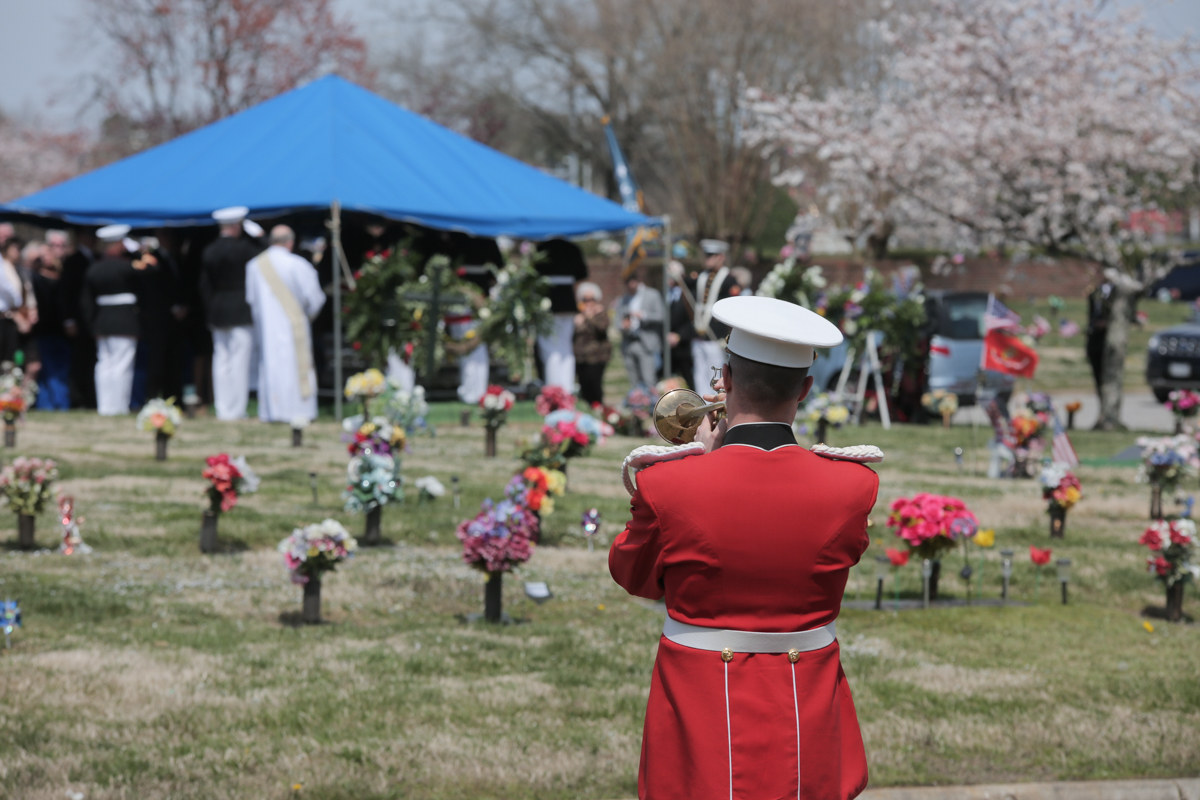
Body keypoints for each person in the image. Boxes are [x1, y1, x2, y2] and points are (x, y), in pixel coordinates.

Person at [610, 295, 875, 800]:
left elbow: (633, 576)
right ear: (806, 389)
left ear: (725, 382)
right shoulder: (853, 485)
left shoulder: (668, 483)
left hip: (697, 712)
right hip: (806, 709)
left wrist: (699, 462)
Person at [245, 225, 326, 423]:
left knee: (271, 367)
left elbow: (251, 300)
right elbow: (315, 298)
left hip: (266, 329)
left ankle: (272, 411)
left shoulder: (254, 265)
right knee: (295, 368)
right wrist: (306, 316)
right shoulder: (298, 264)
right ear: (290, 242)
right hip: (294, 325)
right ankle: (299, 412)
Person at [81, 225, 155, 415]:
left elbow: (86, 302)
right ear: (120, 243)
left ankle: (105, 407)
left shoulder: (94, 269)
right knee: (122, 365)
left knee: (104, 364)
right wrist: (140, 253)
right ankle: (119, 407)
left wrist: (92, 323)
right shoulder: (127, 266)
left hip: (102, 322)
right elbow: (152, 268)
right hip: (124, 321)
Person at [200, 206, 263, 420]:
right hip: (240, 310)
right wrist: (259, 236)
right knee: (239, 361)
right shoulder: (245, 249)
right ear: (238, 226)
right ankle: (236, 409)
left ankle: (223, 408)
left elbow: (204, 286)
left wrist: (211, 306)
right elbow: (266, 253)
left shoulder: (209, 250)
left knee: (221, 360)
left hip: (217, 310)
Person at [536, 238, 588, 391]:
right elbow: (582, 274)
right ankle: (566, 388)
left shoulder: (542, 247)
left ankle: (555, 390)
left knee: (550, 348)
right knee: (565, 348)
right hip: (567, 301)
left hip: (549, 300)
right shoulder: (572, 247)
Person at [691, 238, 738, 393]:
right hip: (699, 333)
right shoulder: (701, 277)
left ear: (721, 257)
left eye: (711, 256)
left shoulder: (729, 280)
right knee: (700, 372)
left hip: (716, 334)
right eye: (706, 255)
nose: (707, 259)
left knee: (715, 372)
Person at [32, 239, 70, 409]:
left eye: (48, 254)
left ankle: (60, 403)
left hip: (62, 331)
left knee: (61, 369)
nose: (46, 258)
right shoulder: (34, 279)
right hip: (42, 331)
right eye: (42, 256)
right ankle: (49, 404)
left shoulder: (64, 278)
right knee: (47, 370)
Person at [61, 227, 97, 408]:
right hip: (78, 318)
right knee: (80, 361)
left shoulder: (96, 257)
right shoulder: (73, 260)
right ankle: (77, 399)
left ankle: (91, 398)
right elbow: (66, 292)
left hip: (94, 319)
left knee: (92, 360)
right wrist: (68, 320)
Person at [615, 269, 664, 389]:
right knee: (634, 381)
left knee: (648, 379)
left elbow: (662, 316)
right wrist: (623, 325)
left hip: (646, 343)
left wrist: (643, 315)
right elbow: (617, 322)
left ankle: (651, 405)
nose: (630, 286)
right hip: (629, 342)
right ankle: (638, 405)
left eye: (632, 282)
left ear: (638, 281)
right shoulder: (623, 299)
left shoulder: (652, 294)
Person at [573, 281, 611, 407]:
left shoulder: (601, 312)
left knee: (595, 385)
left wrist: (589, 318)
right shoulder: (577, 315)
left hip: (596, 357)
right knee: (584, 387)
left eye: (591, 299)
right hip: (580, 357)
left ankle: (599, 410)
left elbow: (601, 329)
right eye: (585, 299)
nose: (588, 302)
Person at [666, 261, 695, 387]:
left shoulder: (689, 294)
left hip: (686, 346)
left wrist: (680, 335)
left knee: (690, 379)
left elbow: (694, 319)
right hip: (669, 347)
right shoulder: (667, 294)